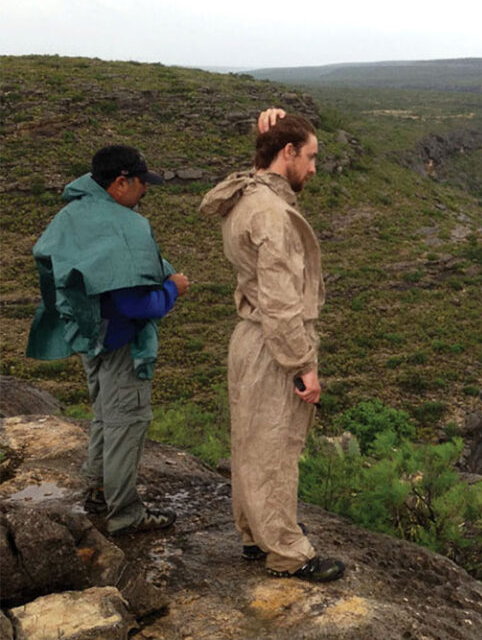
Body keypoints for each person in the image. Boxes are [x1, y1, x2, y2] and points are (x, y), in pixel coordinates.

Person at [198, 109, 344, 582]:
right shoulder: (272, 215)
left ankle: (253, 533)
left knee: (249, 441)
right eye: (310, 156)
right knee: (276, 445)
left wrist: (269, 133)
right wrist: (304, 365)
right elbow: (282, 302)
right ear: (287, 153)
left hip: (250, 338)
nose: (315, 168)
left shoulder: (248, 194)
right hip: (273, 342)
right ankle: (286, 551)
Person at [26, 145, 189, 536]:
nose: (144, 192)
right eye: (140, 184)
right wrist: (173, 290)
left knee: (104, 417)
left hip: (89, 336)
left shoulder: (74, 214)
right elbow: (134, 303)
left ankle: (99, 490)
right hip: (119, 342)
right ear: (121, 182)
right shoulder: (122, 226)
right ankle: (125, 513)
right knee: (127, 422)